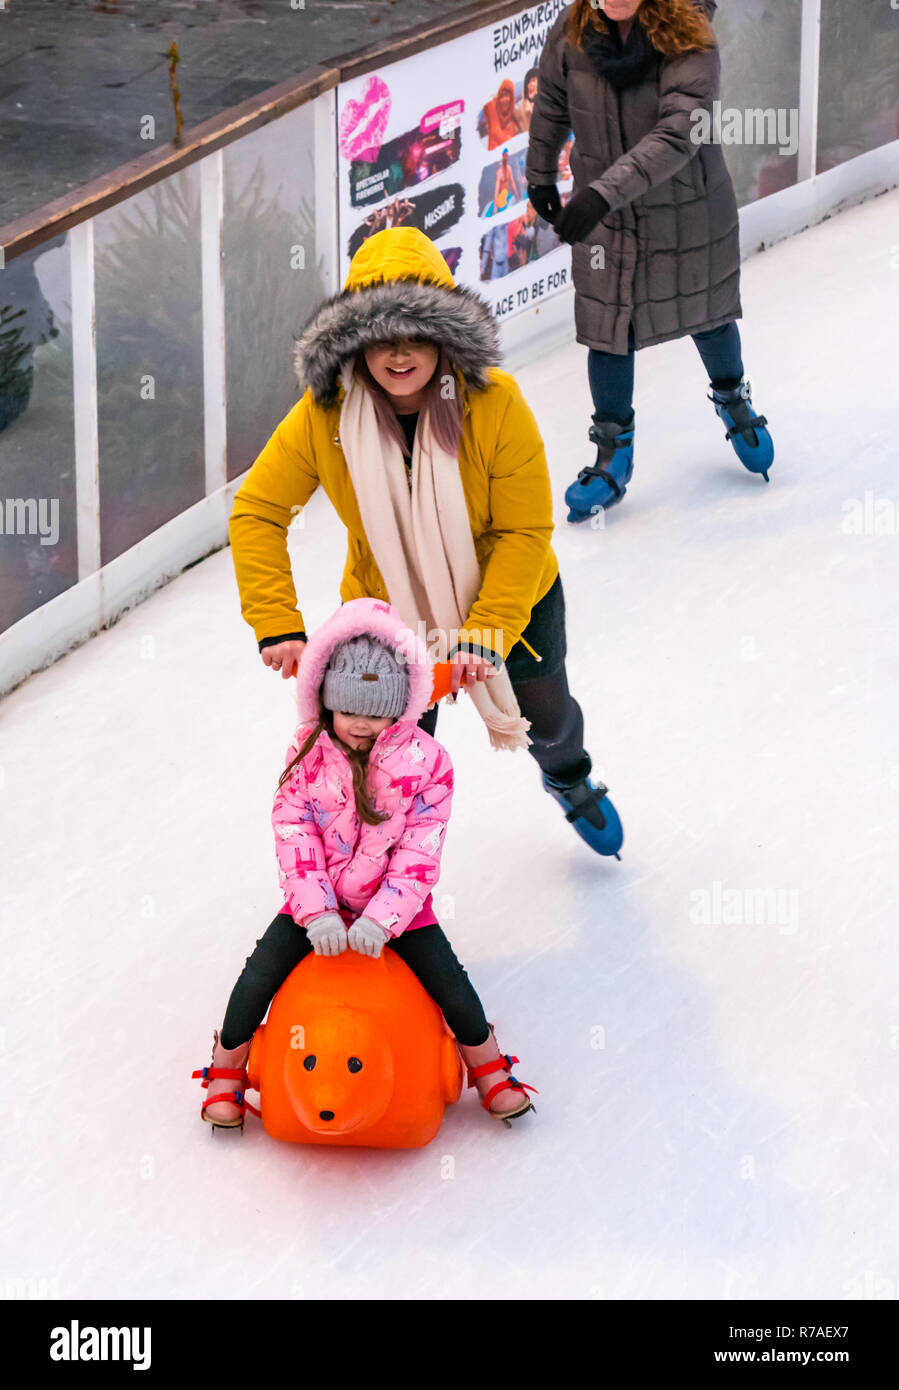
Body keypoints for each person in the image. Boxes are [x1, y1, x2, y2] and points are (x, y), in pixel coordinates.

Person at [228, 224, 624, 859]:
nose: (401, 354)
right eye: (383, 337)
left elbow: (524, 529)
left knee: (548, 721)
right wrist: (276, 620)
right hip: (388, 623)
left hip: (511, 602)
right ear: (356, 341)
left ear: (445, 335)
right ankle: (379, 868)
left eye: (418, 334)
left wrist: (487, 628)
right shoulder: (324, 416)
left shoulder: (495, 404)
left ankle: (568, 775)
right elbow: (258, 510)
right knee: (384, 761)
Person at [193, 598, 537, 1129]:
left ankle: (486, 1063)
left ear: (402, 709)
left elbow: (421, 850)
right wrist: (317, 913)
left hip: (398, 908)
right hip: (318, 900)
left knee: (451, 985)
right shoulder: (307, 750)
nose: (361, 723)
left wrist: (383, 917)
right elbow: (294, 833)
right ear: (327, 701)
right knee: (258, 976)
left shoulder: (428, 761)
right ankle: (227, 1067)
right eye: (350, 709)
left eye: (377, 712)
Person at [526, 0, 774, 522]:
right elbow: (551, 99)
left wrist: (597, 195)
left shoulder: (689, 34)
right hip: (608, 218)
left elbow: (679, 132)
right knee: (607, 324)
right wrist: (539, 173)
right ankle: (612, 454)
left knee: (707, 314)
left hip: (687, 208)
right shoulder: (573, 30)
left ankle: (734, 399)